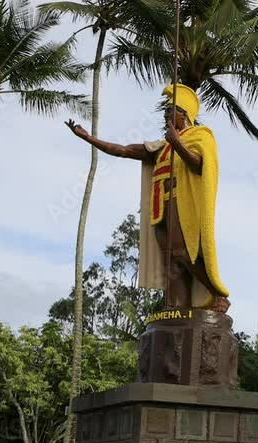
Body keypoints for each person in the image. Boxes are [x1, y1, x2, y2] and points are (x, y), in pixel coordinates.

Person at [66, 84, 230, 312]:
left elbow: (200, 165)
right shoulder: (160, 148)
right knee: (171, 260)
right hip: (159, 207)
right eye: (165, 111)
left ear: (184, 114)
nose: (165, 115)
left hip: (181, 203)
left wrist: (177, 143)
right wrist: (88, 138)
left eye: (170, 110)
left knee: (183, 252)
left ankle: (218, 294)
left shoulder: (201, 136)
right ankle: (179, 307)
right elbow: (123, 150)